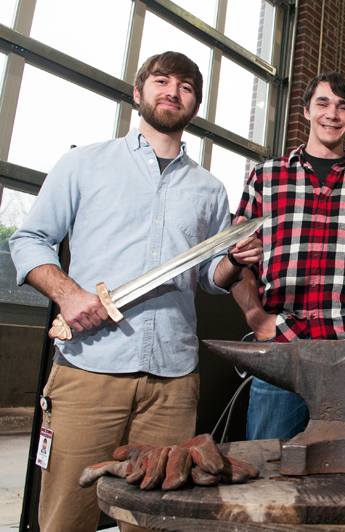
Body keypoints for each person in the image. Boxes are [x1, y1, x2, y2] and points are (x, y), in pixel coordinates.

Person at [10, 51, 260, 532]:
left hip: (172, 381)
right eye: (161, 80)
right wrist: (68, 294)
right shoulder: (83, 164)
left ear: (195, 104)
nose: (172, 91)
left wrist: (232, 260)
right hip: (90, 367)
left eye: (185, 86)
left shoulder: (209, 189)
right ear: (138, 92)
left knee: (158, 519)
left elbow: (207, 277)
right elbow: (30, 239)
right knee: (67, 515)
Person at [232, 72, 345, 440]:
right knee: (269, 462)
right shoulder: (266, 177)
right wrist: (256, 318)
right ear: (307, 110)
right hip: (282, 349)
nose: (332, 114)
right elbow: (239, 259)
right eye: (323, 103)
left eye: (343, 107)